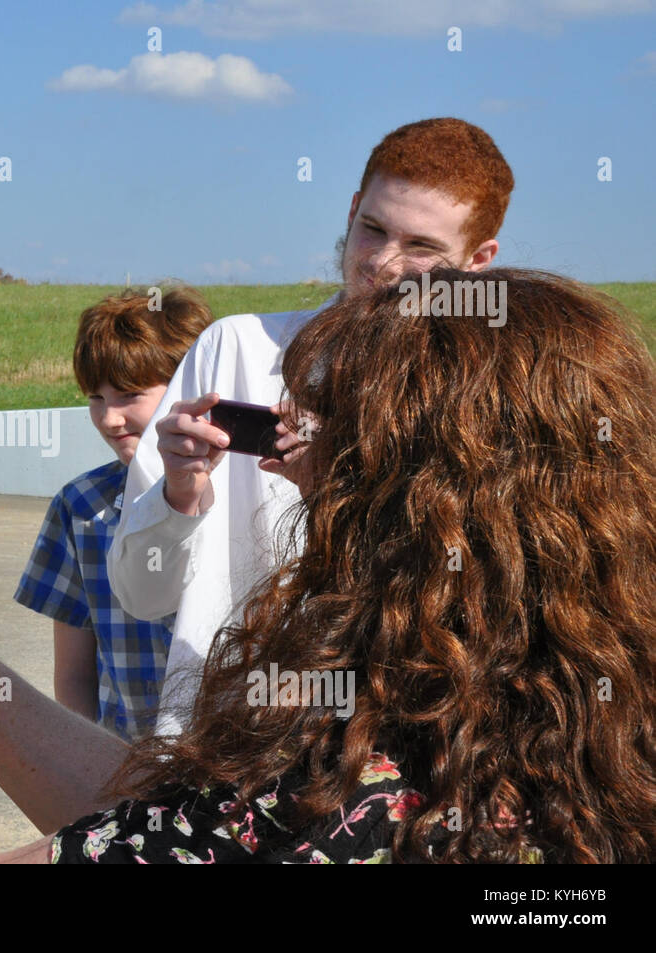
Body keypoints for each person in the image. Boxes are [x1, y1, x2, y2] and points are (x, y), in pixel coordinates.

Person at [0, 269, 656, 863]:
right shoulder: (548, 723)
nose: (282, 458)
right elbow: (163, 819)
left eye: (324, 432)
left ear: (422, 496)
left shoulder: (369, 786)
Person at [106, 118, 516, 735]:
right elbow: (142, 595)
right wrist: (177, 496)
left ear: (479, 261)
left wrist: (335, 495)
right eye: (371, 229)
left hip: (416, 766)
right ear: (350, 211)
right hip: (226, 761)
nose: (381, 264)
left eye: (422, 248)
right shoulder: (239, 352)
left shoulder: (501, 399)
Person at [15, 288, 215, 740]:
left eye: (128, 395)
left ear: (192, 389)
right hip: (129, 772)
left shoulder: (255, 492)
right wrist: (91, 768)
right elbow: (73, 674)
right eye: (95, 398)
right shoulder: (80, 506)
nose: (109, 419)